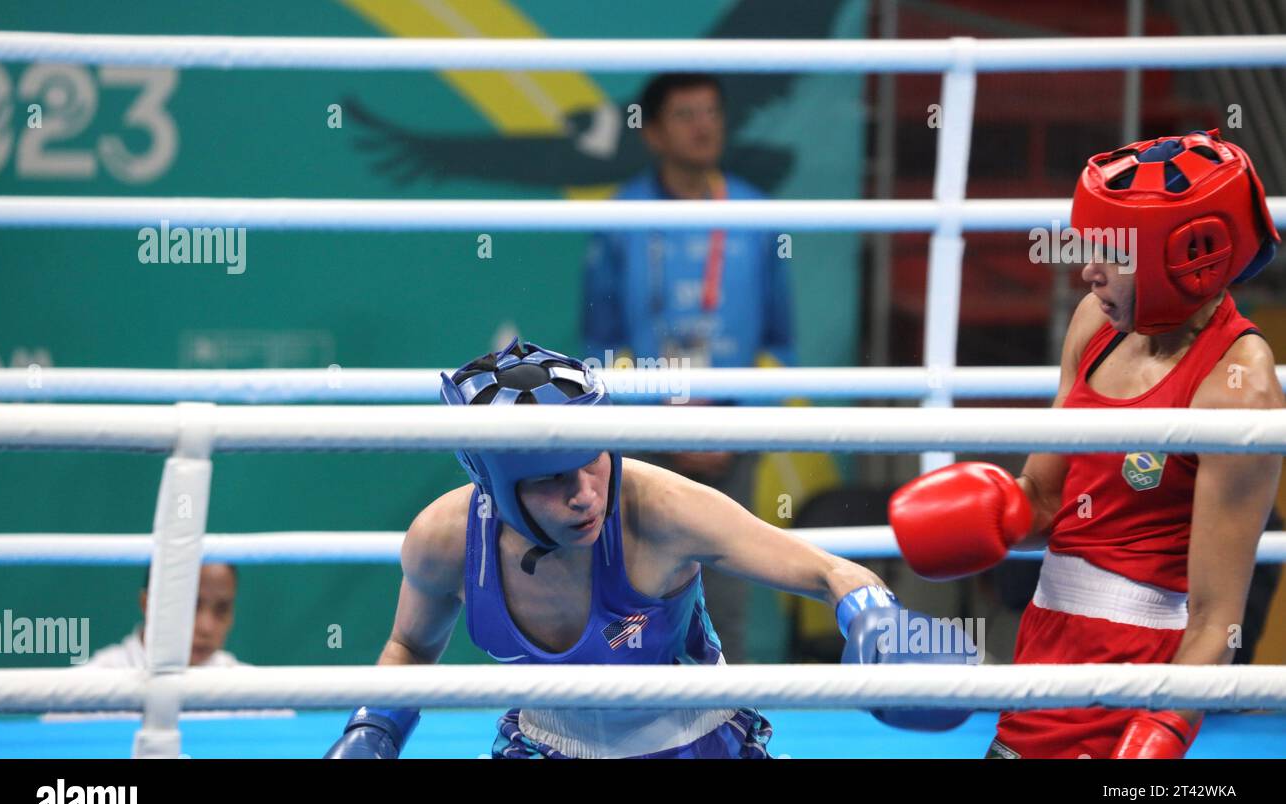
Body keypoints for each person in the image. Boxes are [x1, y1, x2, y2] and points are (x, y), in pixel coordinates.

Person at [326, 338, 973, 759]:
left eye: (594, 463)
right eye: (553, 479)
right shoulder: (444, 540)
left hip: (695, 743)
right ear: (492, 483)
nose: (585, 494)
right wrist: (374, 728)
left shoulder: (658, 510)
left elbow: (830, 570)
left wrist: (873, 617)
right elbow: (411, 645)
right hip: (542, 745)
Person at [888, 129, 1282, 758]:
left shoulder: (1240, 388)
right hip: (1045, 660)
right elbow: (1044, 496)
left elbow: (1218, 621)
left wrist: (1165, 729)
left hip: (1140, 679)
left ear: (1186, 256)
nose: (1087, 271)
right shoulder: (1096, 323)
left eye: (1112, 254)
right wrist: (997, 512)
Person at [581, 72, 796, 662]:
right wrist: (652, 420)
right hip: (645, 442)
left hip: (733, 438)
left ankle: (730, 737)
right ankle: (623, 739)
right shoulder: (620, 217)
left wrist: (736, 423)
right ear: (651, 132)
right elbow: (597, 348)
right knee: (633, 598)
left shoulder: (756, 216)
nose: (703, 126)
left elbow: (783, 347)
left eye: (711, 113)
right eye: (685, 115)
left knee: (727, 600)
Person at [86, 561, 245, 668]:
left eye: (222, 610)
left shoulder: (250, 692)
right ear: (148, 605)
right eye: (189, 607)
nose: (207, 627)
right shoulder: (90, 686)